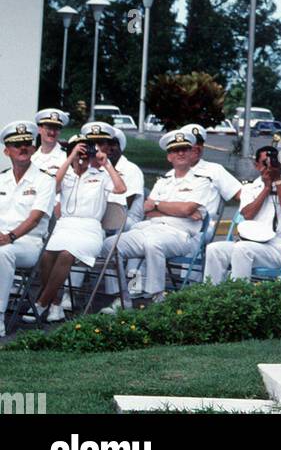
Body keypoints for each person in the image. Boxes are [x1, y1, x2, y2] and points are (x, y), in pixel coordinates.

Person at [116, 130, 214, 305]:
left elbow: (186, 209)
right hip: (152, 228)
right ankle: (127, 294)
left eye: (185, 149)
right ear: (169, 156)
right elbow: (148, 209)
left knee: (153, 244)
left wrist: (159, 205)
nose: (181, 153)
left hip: (182, 235)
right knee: (115, 244)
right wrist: (178, 209)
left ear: (192, 152)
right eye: (176, 150)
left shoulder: (202, 181)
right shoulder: (162, 181)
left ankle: (157, 296)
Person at [36, 134, 126, 322]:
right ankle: (55, 305)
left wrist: (106, 163)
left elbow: (120, 188)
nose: (82, 158)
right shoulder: (65, 175)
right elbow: (52, 186)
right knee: (46, 257)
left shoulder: (99, 176)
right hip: (65, 226)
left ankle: (42, 302)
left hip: (89, 229)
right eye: (79, 153)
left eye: (86, 153)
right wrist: (70, 159)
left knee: (67, 254)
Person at [204, 146, 281, 284]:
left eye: (273, 162)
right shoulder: (249, 187)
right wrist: (266, 188)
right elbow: (247, 214)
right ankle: (211, 294)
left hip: (276, 248)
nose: (269, 166)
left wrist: (277, 181)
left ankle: (238, 297)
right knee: (214, 249)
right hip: (248, 243)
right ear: (257, 166)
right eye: (265, 163)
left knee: (242, 249)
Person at [0, 122, 56, 338]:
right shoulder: (2, 179)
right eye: (16, 145)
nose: (22, 148)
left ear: (33, 149)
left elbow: (35, 219)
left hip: (28, 244)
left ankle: (0, 318)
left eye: (26, 144)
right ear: (7, 151)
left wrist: (10, 236)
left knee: (4, 253)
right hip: (3, 239)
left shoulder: (44, 180)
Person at [184, 123, 243, 232]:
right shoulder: (171, 174)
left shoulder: (214, 170)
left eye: (200, 143)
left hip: (202, 225)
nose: (197, 147)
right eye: (191, 143)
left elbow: (242, 195)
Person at [31, 108, 69, 180]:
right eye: (49, 128)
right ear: (39, 129)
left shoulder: (67, 157)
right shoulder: (32, 158)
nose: (52, 132)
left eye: (56, 128)